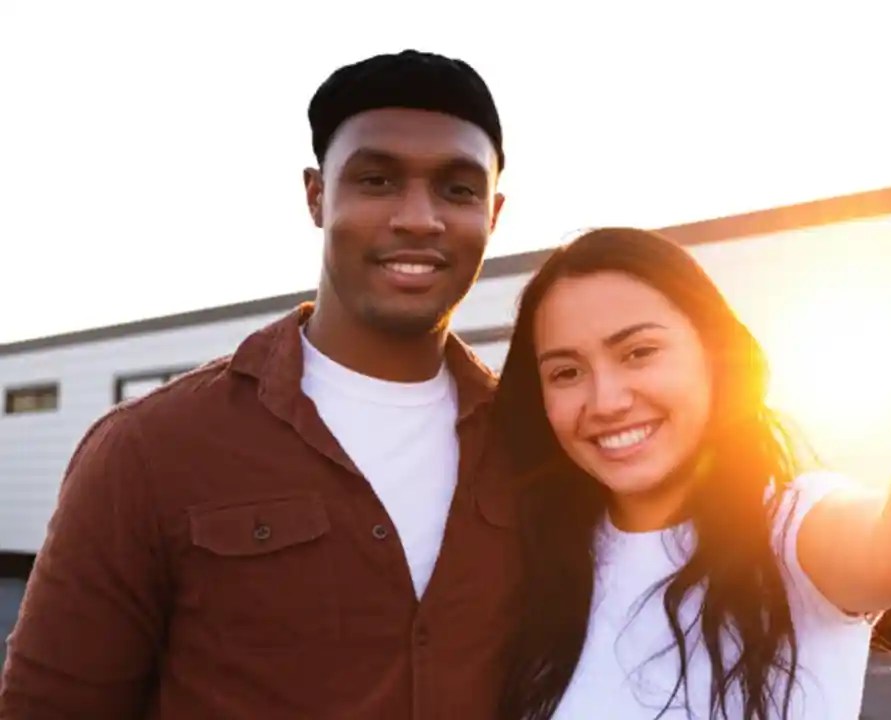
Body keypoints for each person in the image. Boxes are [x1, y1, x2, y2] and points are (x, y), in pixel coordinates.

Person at [0, 50, 523, 719]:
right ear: (316, 195)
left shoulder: (537, 447)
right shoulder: (148, 450)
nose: (419, 217)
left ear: (495, 212)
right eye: (377, 180)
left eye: (458, 189)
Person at [492, 174, 891, 719]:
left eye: (639, 352)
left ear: (715, 356)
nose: (605, 400)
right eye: (566, 371)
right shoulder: (541, 554)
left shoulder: (793, 527)